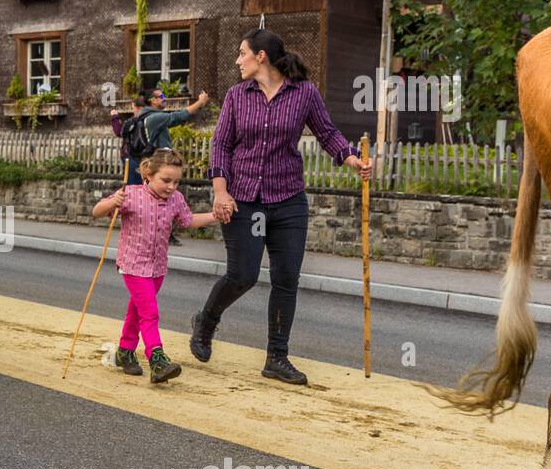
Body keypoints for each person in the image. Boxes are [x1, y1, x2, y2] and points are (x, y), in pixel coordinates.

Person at [189, 29, 372, 386]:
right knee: (243, 275)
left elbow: (328, 133)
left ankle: (277, 357)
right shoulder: (236, 96)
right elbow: (221, 146)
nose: (237, 60)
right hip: (244, 199)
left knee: (287, 279)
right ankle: (206, 320)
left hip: (288, 199)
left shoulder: (304, 93)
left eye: (242, 53)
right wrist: (221, 193)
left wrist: (353, 161)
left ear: (261, 57)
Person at [92, 148, 218, 384]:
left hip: (157, 266)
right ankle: (157, 359)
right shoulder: (130, 194)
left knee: (137, 310)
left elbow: (188, 221)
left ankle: (125, 352)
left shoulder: (176, 199)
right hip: (133, 264)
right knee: (150, 312)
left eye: (177, 181)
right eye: (166, 180)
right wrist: (112, 203)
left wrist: (215, 215)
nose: (171, 187)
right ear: (148, 174)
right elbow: (96, 212)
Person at [112, 89, 209, 185]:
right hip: (159, 164)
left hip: (148, 162)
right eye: (161, 96)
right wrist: (200, 102)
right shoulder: (154, 118)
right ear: (153, 100)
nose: (165, 99)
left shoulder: (143, 116)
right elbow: (179, 116)